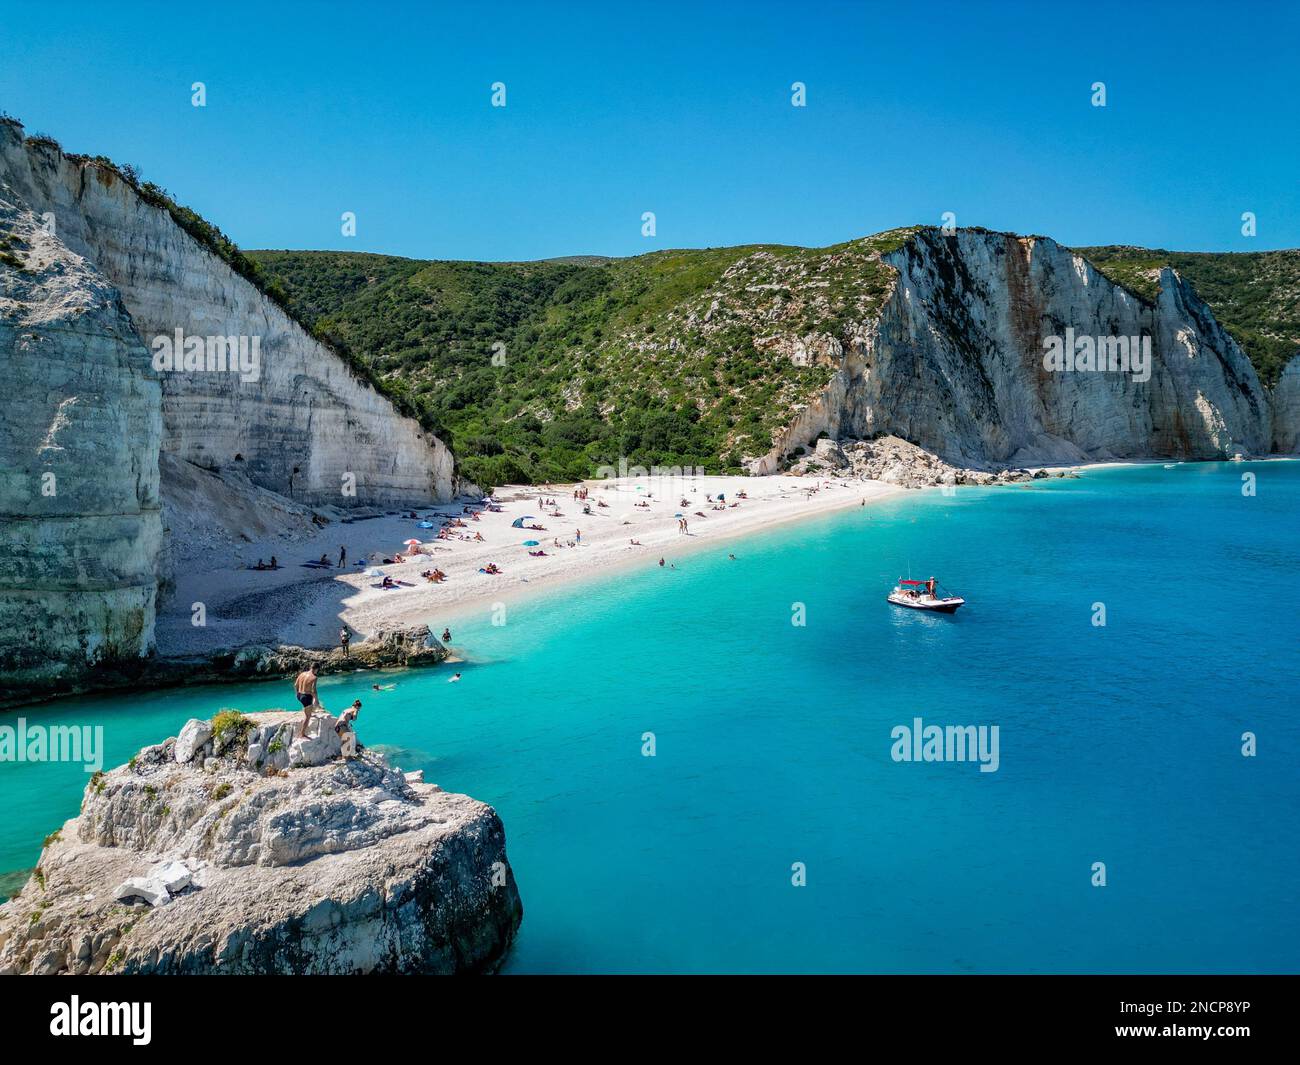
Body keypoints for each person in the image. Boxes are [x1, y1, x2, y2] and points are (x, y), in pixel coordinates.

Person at [293, 665, 321, 737]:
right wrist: (317, 700)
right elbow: (313, 690)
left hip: (299, 695)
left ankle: (310, 710)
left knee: (309, 707)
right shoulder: (314, 677)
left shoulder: (302, 674)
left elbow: (295, 685)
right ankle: (302, 734)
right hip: (306, 697)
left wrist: (297, 694)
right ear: (316, 669)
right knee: (307, 716)